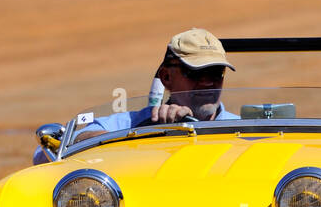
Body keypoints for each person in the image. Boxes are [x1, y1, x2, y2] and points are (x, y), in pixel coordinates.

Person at [35, 28, 238, 162]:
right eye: (195, 73)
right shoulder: (130, 124)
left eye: (216, 72)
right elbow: (46, 156)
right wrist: (151, 131)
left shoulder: (246, 128)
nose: (208, 82)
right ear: (166, 77)